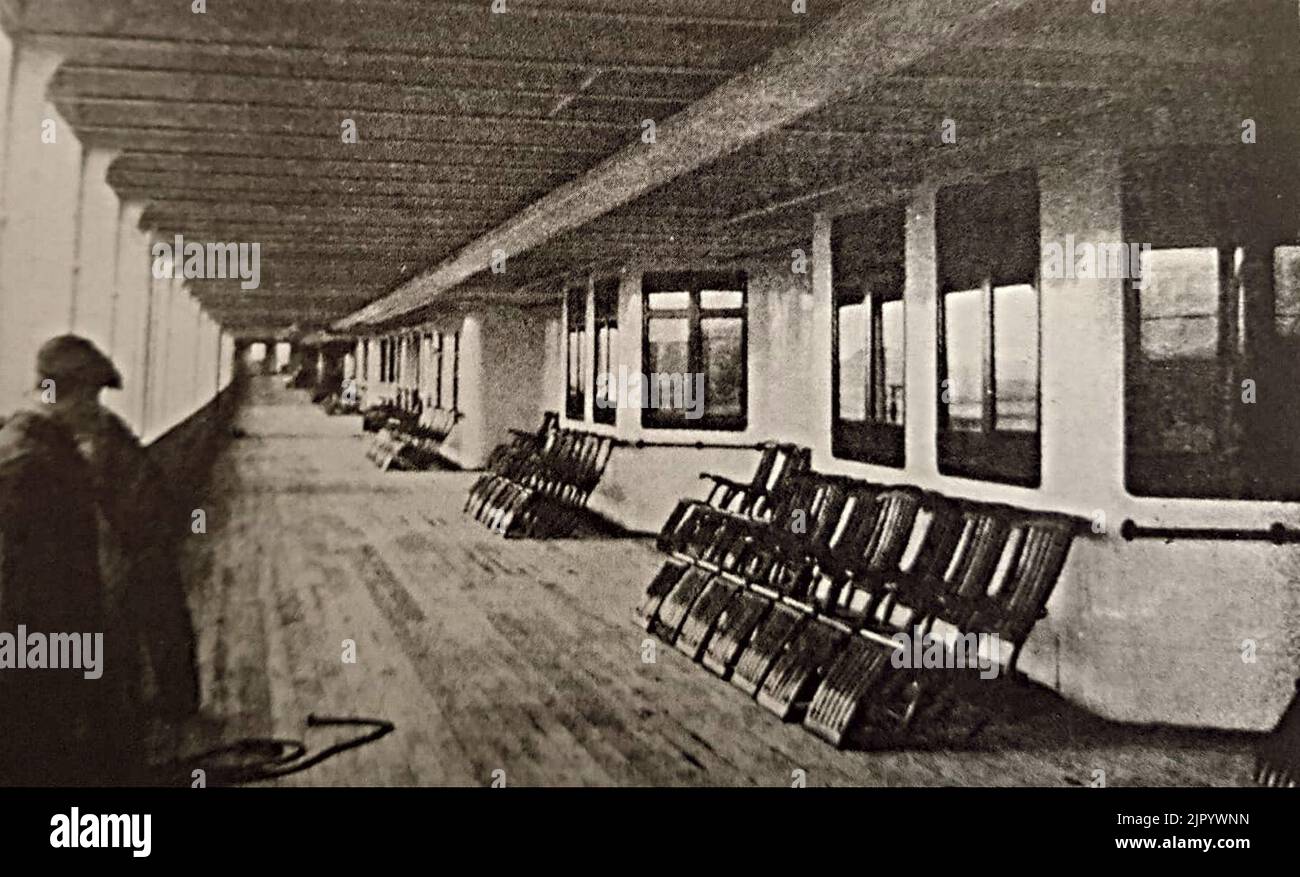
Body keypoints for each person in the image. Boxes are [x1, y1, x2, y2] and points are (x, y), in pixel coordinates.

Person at [0, 336, 201, 785]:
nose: (95, 409)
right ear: (56, 394)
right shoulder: (29, 460)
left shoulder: (51, 444)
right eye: (89, 397)